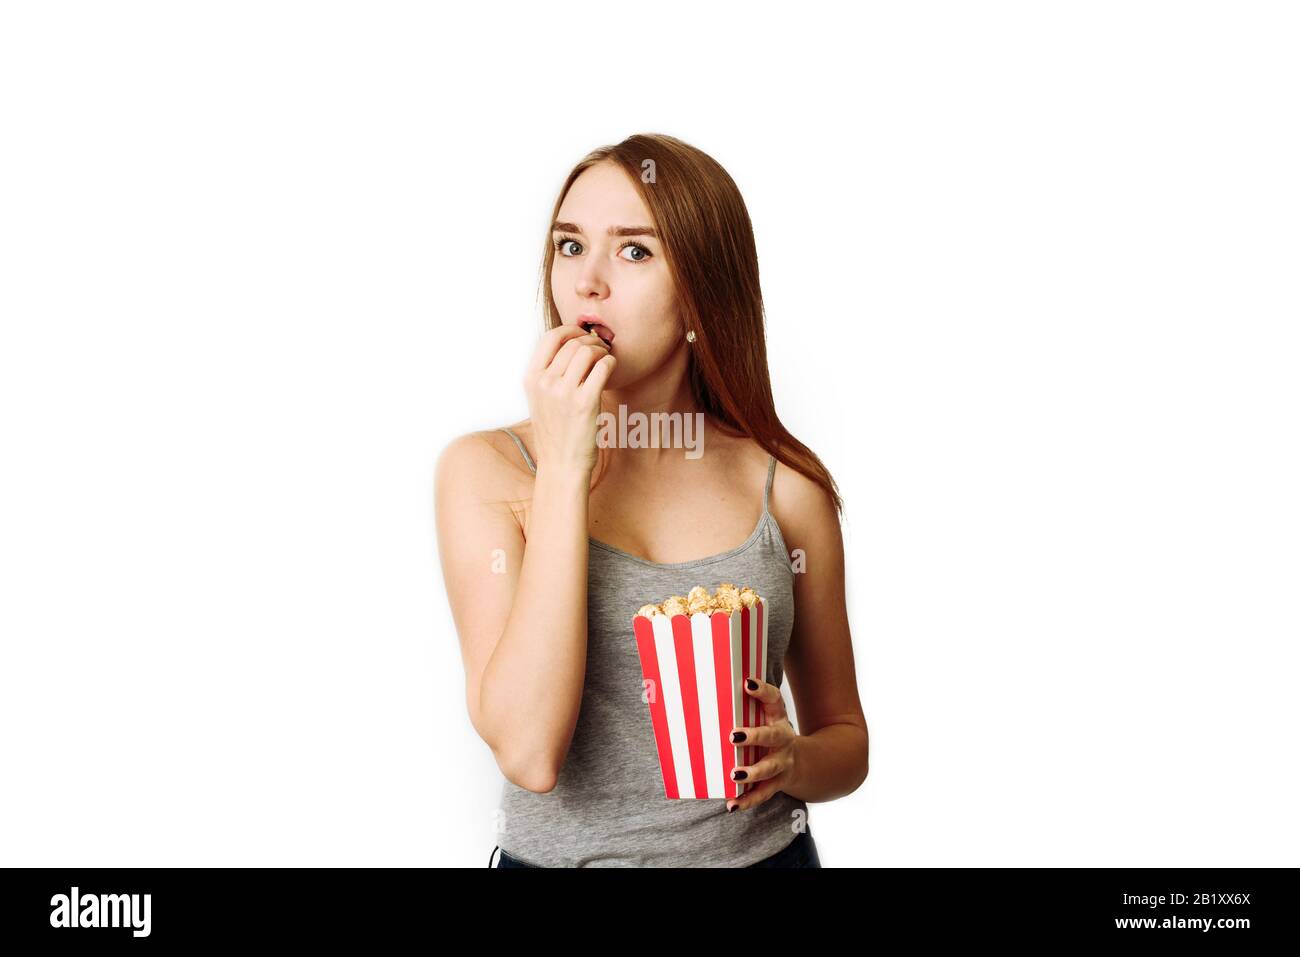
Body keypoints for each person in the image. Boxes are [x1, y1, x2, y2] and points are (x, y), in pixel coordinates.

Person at [435, 133, 868, 867]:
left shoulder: (785, 486)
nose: (588, 282)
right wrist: (566, 471)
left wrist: (792, 760)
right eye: (569, 246)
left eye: (634, 251)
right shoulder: (487, 471)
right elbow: (530, 752)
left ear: (701, 292)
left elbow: (846, 739)